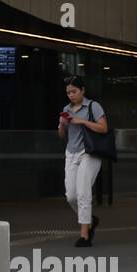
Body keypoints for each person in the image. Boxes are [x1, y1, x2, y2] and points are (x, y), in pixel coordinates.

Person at [57, 75, 108, 248]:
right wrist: (61, 125)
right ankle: (90, 220)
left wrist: (82, 121)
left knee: (83, 192)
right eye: (68, 92)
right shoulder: (66, 108)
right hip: (71, 153)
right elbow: (62, 136)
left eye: (74, 91)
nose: (71, 95)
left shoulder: (93, 106)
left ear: (82, 90)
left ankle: (84, 235)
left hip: (89, 153)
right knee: (71, 196)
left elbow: (103, 128)